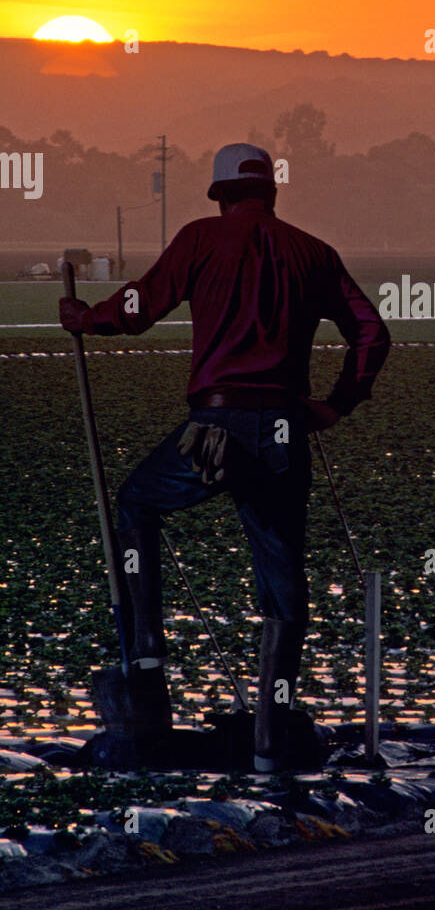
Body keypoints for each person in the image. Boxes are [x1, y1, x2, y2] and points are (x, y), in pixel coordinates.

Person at [60, 143, 390, 770]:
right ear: (272, 191)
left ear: (219, 194)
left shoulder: (200, 239)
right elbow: (372, 332)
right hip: (286, 432)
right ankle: (269, 746)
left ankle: (148, 641)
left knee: (136, 501)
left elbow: (140, 306)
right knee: (285, 595)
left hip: (215, 425)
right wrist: (339, 403)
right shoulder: (313, 253)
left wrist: (86, 318)